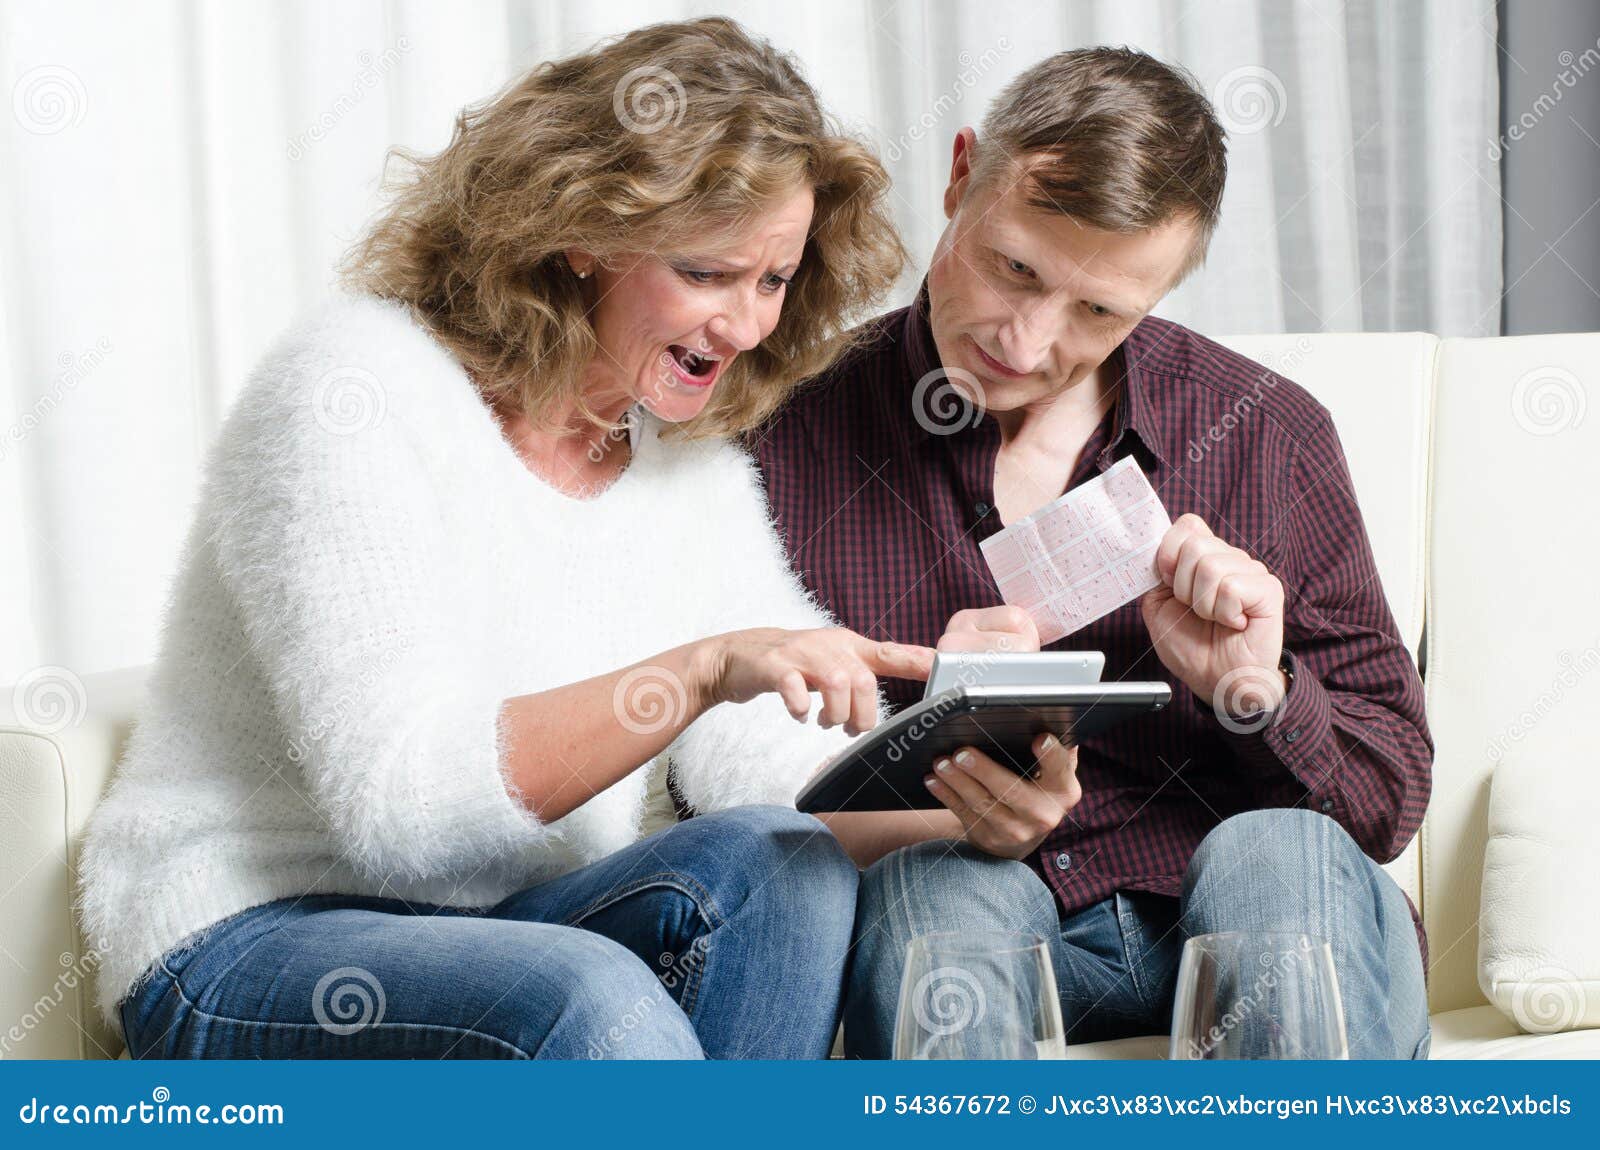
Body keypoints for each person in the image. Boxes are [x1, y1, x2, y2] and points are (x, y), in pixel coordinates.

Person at [79, 16, 934, 1061]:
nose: (748, 325)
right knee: (586, 994)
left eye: (772, 280)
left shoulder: (686, 471)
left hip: (509, 929)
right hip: (249, 935)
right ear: (586, 233)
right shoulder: (355, 390)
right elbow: (407, 814)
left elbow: (776, 758)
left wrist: (951, 795)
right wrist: (703, 666)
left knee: (781, 862)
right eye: (707, 273)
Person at [750, 47, 1434, 1059]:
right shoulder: (785, 434)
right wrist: (931, 765)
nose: (1024, 343)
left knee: (1276, 848)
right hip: (978, 924)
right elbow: (724, 798)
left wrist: (1260, 690)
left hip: (1251, 915)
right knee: (936, 889)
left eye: (1099, 312)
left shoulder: (1266, 433)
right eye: (1013, 268)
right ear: (959, 174)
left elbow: (1381, 807)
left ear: (1162, 291)